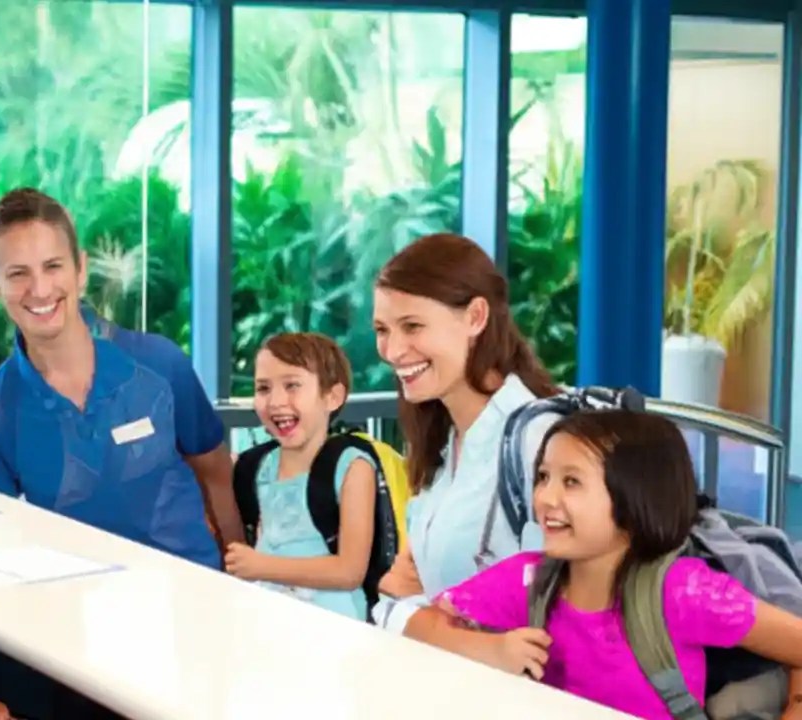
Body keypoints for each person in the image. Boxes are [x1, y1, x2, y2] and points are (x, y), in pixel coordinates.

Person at [404, 410, 802, 720]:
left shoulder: (685, 593)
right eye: (543, 477)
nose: (544, 497)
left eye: (571, 482)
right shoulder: (530, 579)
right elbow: (418, 624)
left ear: (635, 498)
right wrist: (491, 649)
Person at [0, 187, 243, 570]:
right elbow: (2, 546)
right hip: (76, 613)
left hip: (194, 599)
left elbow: (216, 477)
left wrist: (242, 587)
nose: (40, 289)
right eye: (18, 274)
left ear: (81, 269)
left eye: (53, 266)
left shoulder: (160, 363)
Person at [370, 232, 560, 631]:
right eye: (383, 330)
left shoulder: (541, 440)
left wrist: (415, 618)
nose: (393, 350)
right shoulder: (441, 439)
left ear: (475, 316)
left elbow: (560, 608)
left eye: (412, 326)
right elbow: (404, 585)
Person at [223, 333, 377, 621]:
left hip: (334, 630)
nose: (276, 401)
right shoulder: (258, 467)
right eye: (263, 388)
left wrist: (261, 566)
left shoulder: (351, 467)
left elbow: (349, 571)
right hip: (269, 623)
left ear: (332, 397)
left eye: (292, 385)